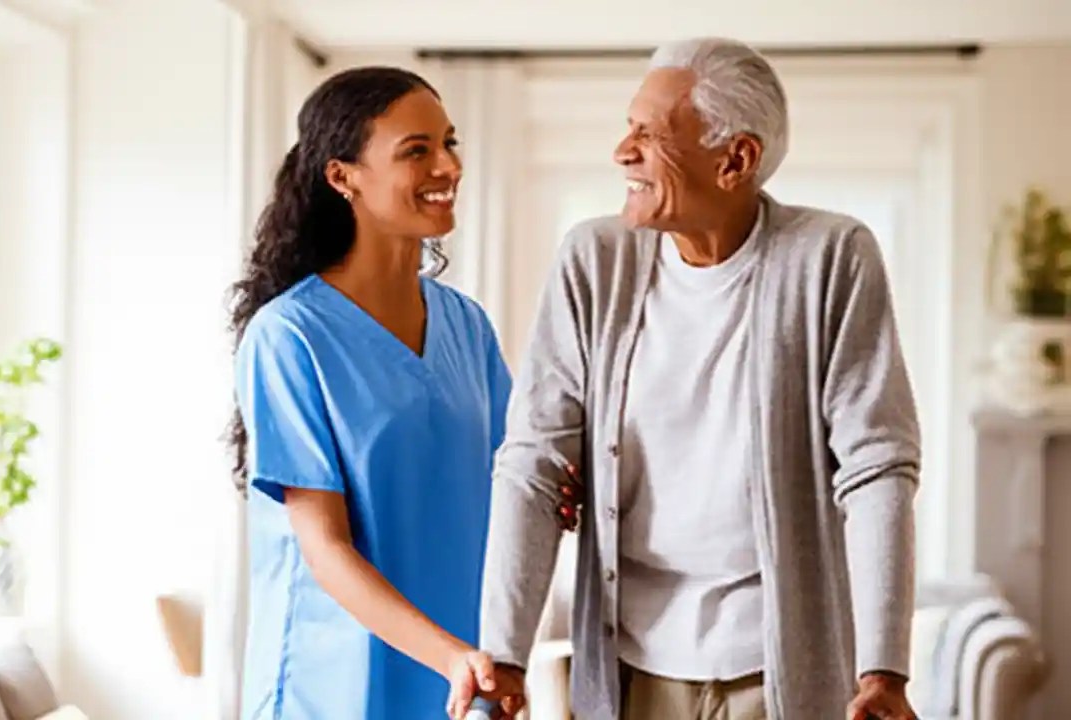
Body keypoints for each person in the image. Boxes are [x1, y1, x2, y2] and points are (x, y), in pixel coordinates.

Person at [462, 38, 921, 720]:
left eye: (648, 135)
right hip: (631, 666)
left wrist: (882, 670)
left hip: (781, 666)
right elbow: (534, 460)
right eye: (629, 128)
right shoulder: (594, 261)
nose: (623, 152)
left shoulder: (830, 257)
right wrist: (504, 653)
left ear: (735, 159)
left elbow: (877, 463)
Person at [228, 66, 516, 720]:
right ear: (342, 176)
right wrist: (449, 657)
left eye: (450, 143)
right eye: (417, 150)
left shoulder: (466, 326)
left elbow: (518, 477)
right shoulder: (290, 337)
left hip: (457, 680)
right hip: (332, 687)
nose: (447, 165)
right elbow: (323, 547)